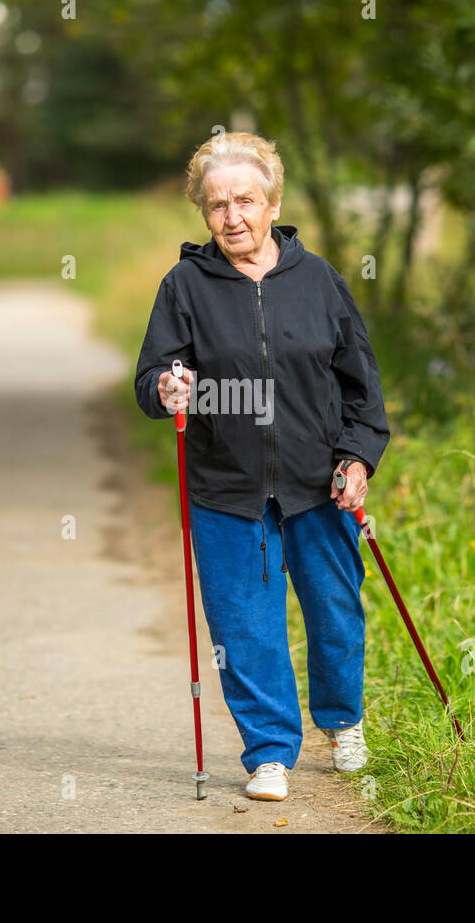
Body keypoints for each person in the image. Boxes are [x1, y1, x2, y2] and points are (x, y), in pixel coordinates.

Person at [133, 131, 390, 802]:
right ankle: (270, 751)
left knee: (334, 610)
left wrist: (358, 457)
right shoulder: (185, 286)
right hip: (225, 485)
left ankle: (344, 725)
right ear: (204, 213)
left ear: (273, 203)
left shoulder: (319, 281)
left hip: (318, 482)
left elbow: (362, 386)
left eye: (245, 200)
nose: (232, 217)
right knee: (245, 623)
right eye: (217, 205)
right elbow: (152, 376)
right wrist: (167, 388)